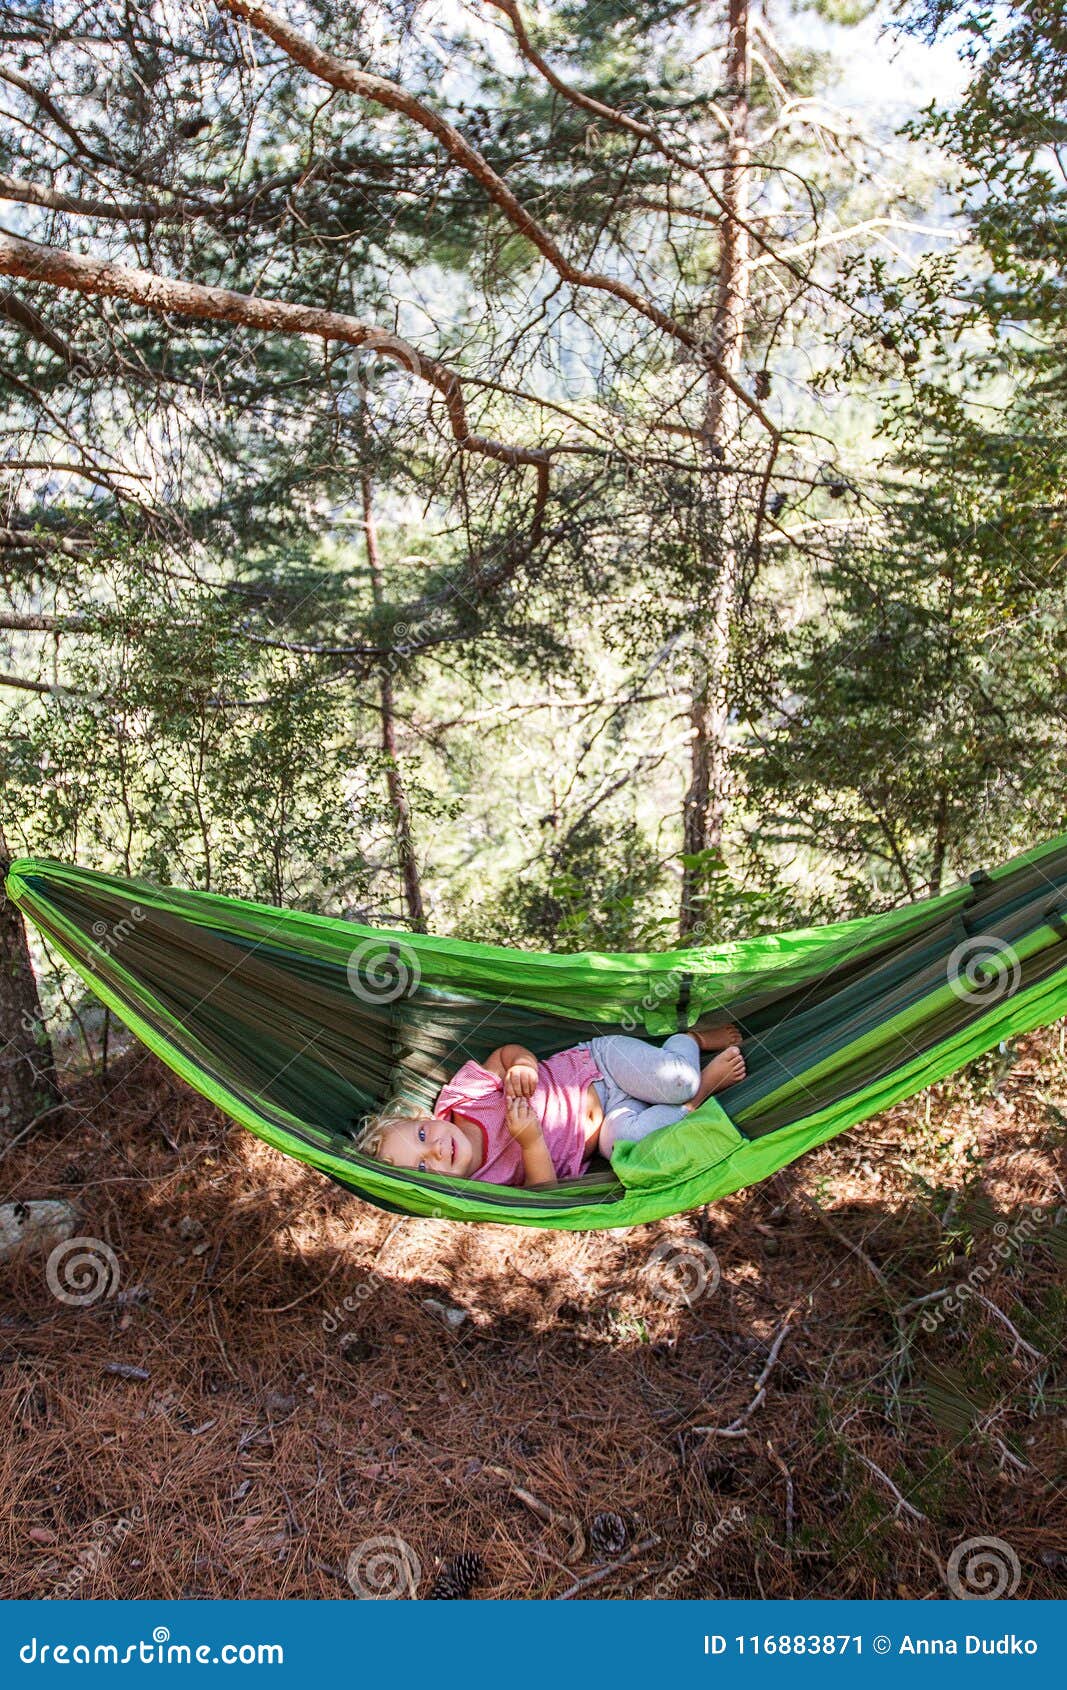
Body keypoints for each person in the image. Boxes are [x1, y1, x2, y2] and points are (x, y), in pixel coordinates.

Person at [357, 1027, 745, 1188]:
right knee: (629, 1145)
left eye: (422, 1135)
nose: (438, 1148)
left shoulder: (461, 1098)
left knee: (679, 1081)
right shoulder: (482, 1185)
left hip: (600, 1067)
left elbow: (505, 1053)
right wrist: (529, 1142)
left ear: (423, 1119)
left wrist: (523, 1065)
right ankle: (699, 1096)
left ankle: (689, 1040)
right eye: (425, 1166)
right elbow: (545, 1191)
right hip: (608, 1126)